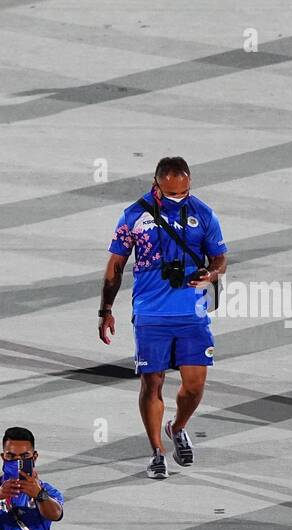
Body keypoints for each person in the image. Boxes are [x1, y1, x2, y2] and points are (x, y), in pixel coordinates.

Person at [98, 157, 228, 479]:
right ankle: (157, 451)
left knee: (195, 385)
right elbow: (115, 266)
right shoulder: (133, 216)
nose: (177, 199)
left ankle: (178, 426)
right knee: (152, 382)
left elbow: (220, 258)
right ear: (156, 185)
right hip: (150, 313)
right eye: (170, 194)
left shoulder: (203, 214)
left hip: (192, 313)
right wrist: (106, 310)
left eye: (182, 193)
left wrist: (211, 274)